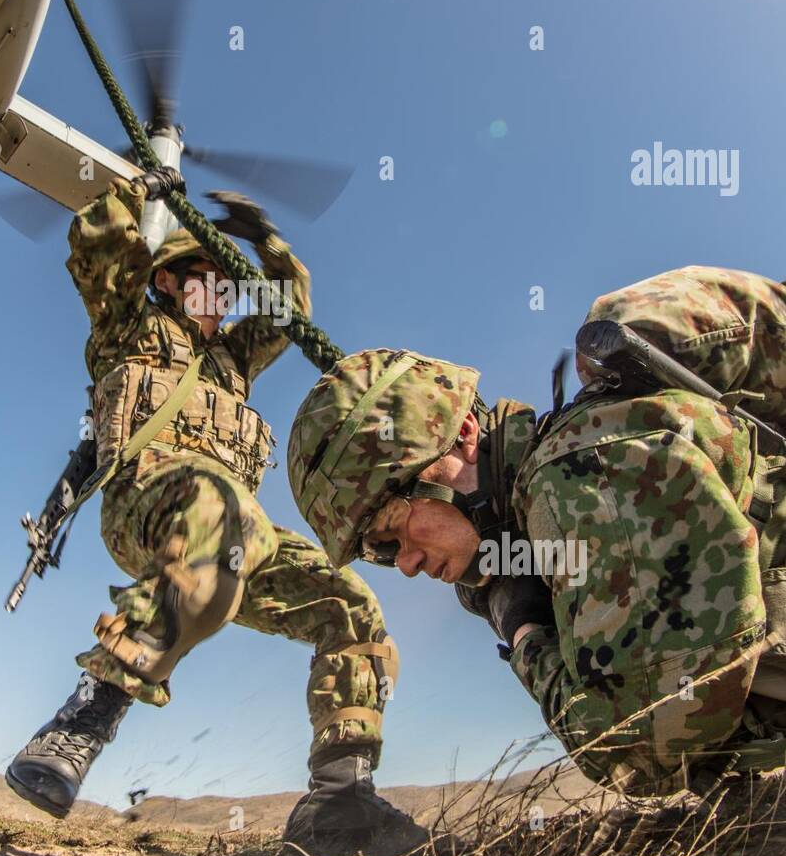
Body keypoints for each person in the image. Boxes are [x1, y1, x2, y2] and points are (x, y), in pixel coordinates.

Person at [6, 174, 421, 856]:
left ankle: (342, 797)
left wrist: (263, 240)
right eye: (207, 279)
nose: (223, 296)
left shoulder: (232, 362)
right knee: (223, 510)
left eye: (227, 287)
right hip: (148, 505)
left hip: (234, 538)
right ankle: (84, 719)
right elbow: (98, 248)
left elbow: (291, 307)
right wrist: (133, 192)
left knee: (349, 603)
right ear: (168, 282)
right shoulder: (129, 328)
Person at [286, 267, 786, 797]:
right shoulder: (548, 503)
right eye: (379, 554)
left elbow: (641, 750)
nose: (405, 564)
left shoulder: (571, 472)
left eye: (390, 530)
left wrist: (524, 631)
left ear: (463, 435)